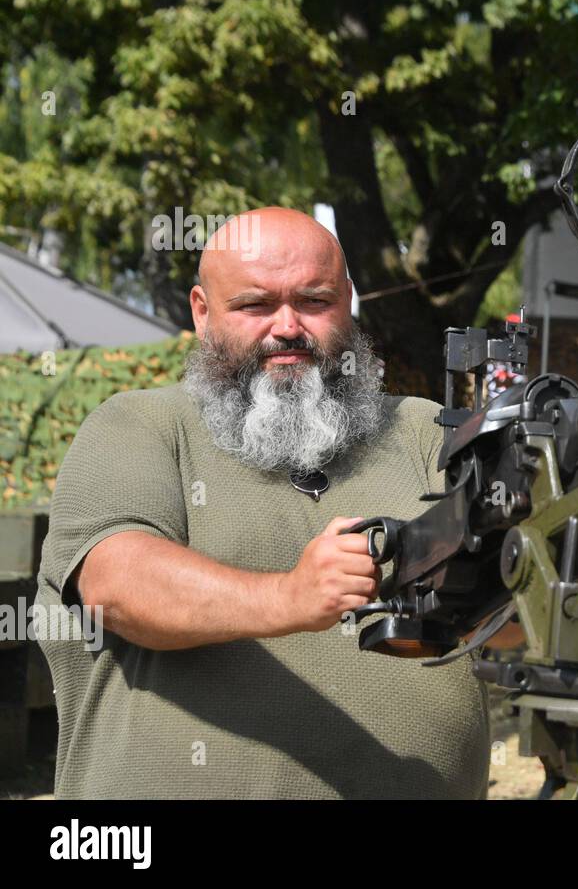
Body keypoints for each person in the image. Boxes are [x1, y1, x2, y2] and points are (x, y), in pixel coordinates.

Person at [35, 207, 490, 798]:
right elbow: (117, 585)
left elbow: (510, 613)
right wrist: (293, 596)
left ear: (348, 301)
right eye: (254, 306)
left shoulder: (428, 431)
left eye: (314, 301)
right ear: (203, 312)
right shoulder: (140, 425)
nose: (287, 327)